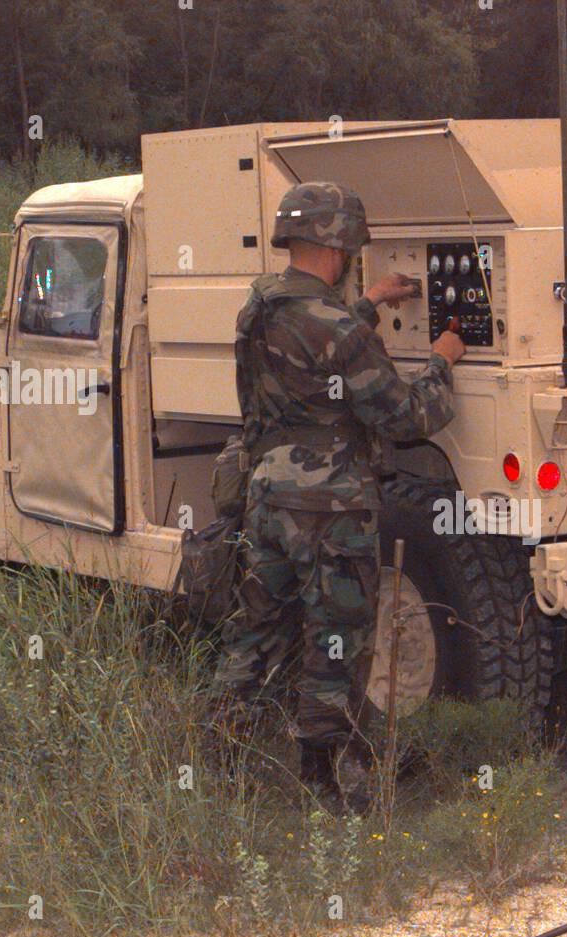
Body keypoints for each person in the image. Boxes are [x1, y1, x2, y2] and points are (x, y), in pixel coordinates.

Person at [214, 181, 464, 809]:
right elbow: (405, 417)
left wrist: (371, 305)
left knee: (258, 630)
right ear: (341, 244)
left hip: (268, 496)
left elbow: (311, 355)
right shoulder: (339, 329)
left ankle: (225, 756)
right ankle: (325, 778)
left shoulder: (260, 307)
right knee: (338, 640)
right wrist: (441, 362)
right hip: (332, 507)